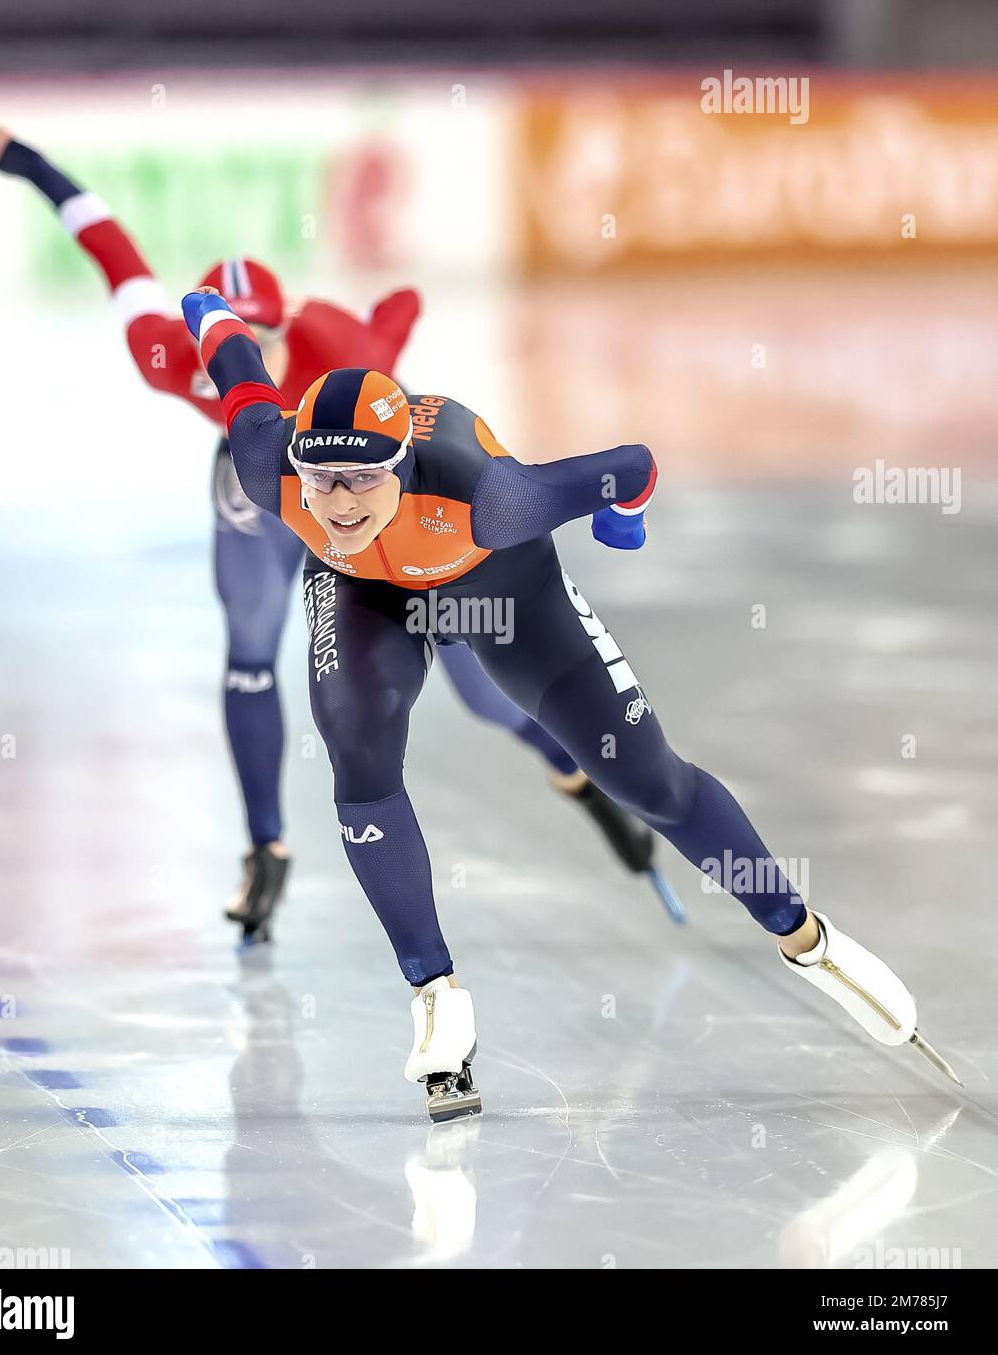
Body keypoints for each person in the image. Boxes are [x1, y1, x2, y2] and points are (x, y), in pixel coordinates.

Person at [181, 285, 961, 1120]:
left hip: (501, 584)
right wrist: (209, 310)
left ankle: (805, 937)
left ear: (401, 468)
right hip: (365, 592)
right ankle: (436, 992)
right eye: (320, 478)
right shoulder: (269, 462)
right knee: (357, 749)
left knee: (646, 780)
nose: (335, 503)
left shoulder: (494, 498)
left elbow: (631, 466)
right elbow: (234, 363)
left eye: (361, 479)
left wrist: (623, 524)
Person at [0, 126, 670, 944]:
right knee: (248, 653)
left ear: (287, 327)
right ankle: (265, 846)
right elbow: (113, 252)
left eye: (269, 344)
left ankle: (570, 772)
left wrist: (395, 327)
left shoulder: (335, 339)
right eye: (242, 347)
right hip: (263, 480)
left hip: (364, 502)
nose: (257, 361)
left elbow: (409, 430)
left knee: (479, 685)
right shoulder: (168, 353)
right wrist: (28, 164)